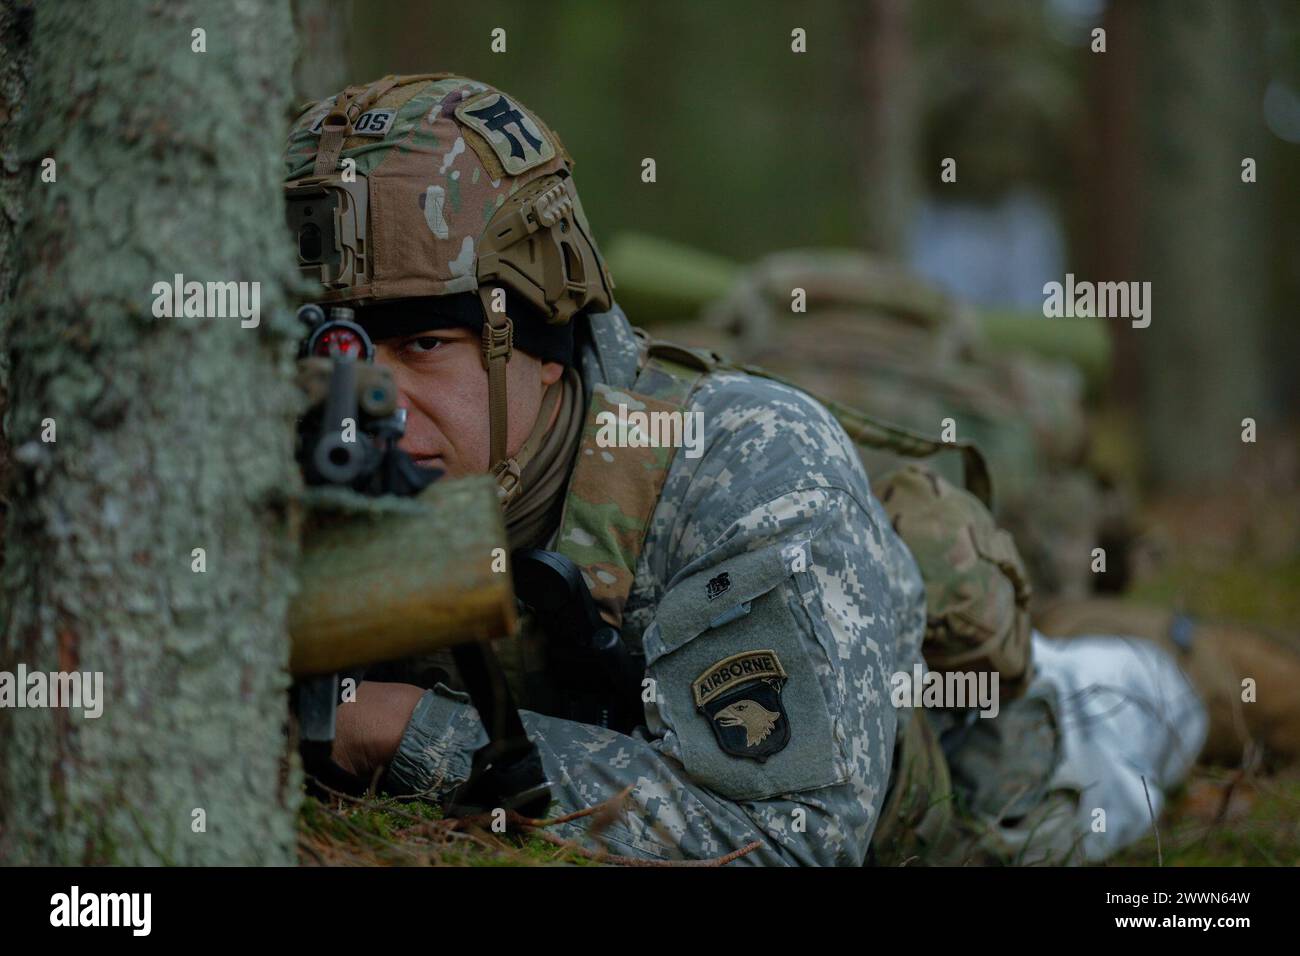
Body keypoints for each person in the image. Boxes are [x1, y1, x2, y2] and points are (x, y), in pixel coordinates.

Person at [283, 73, 1209, 865]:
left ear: (549, 345)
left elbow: (790, 839)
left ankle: (1166, 653)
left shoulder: (739, 464)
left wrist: (396, 729)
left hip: (999, 764)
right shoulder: (290, 470)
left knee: (1157, 691)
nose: (371, 403)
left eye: (425, 344)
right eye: (331, 350)